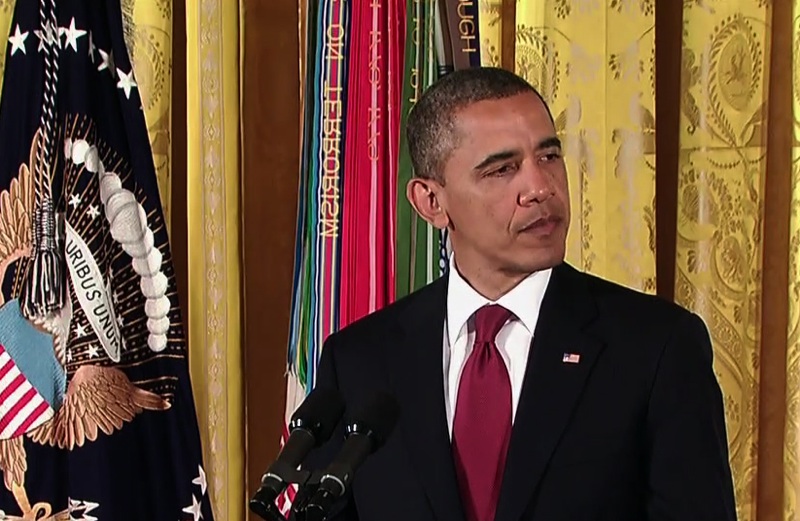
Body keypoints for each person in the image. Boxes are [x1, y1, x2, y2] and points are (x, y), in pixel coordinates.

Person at [301, 67, 737, 521]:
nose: (540, 188)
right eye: (502, 169)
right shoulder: (359, 362)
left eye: (549, 157)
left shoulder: (656, 349)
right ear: (431, 202)